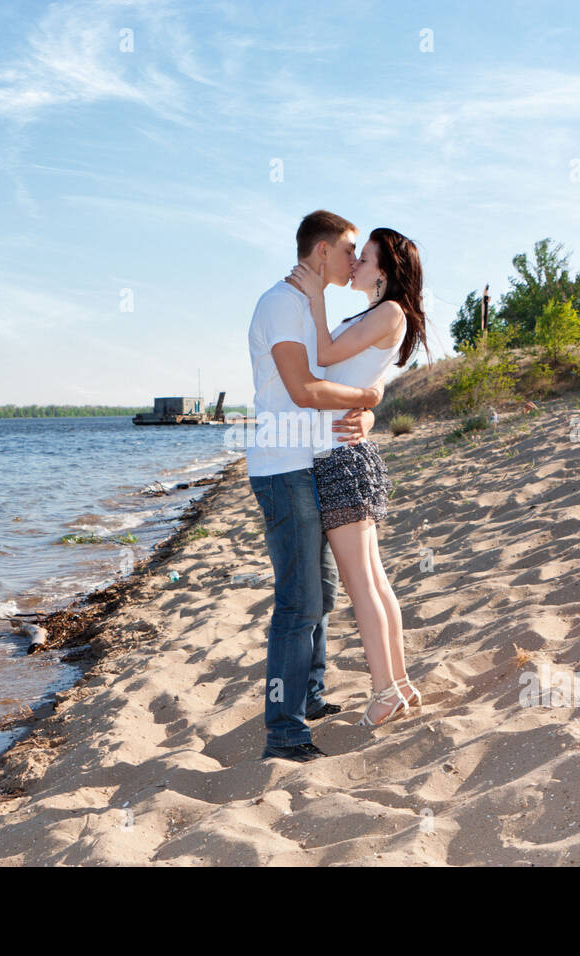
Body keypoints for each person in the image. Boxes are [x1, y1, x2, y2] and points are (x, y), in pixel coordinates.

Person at [246, 210, 384, 762]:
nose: (355, 260)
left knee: (321, 596)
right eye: (349, 249)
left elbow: (346, 375)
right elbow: (304, 388)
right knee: (297, 602)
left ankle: (310, 696)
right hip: (283, 467)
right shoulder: (280, 303)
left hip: (315, 462)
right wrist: (367, 402)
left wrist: (367, 412)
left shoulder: (312, 307)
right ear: (321, 250)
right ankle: (283, 730)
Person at [287, 227, 430, 727]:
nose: (354, 264)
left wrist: (313, 294)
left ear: (384, 271)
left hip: (341, 459)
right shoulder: (382, 314)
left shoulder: (388, 312)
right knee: (373, 581)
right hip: (351, 453)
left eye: (362, 257)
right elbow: (361, 381)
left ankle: (386, 690)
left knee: (362, 585)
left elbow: (324, 356)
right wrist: (370, 408)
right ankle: (400, 683)